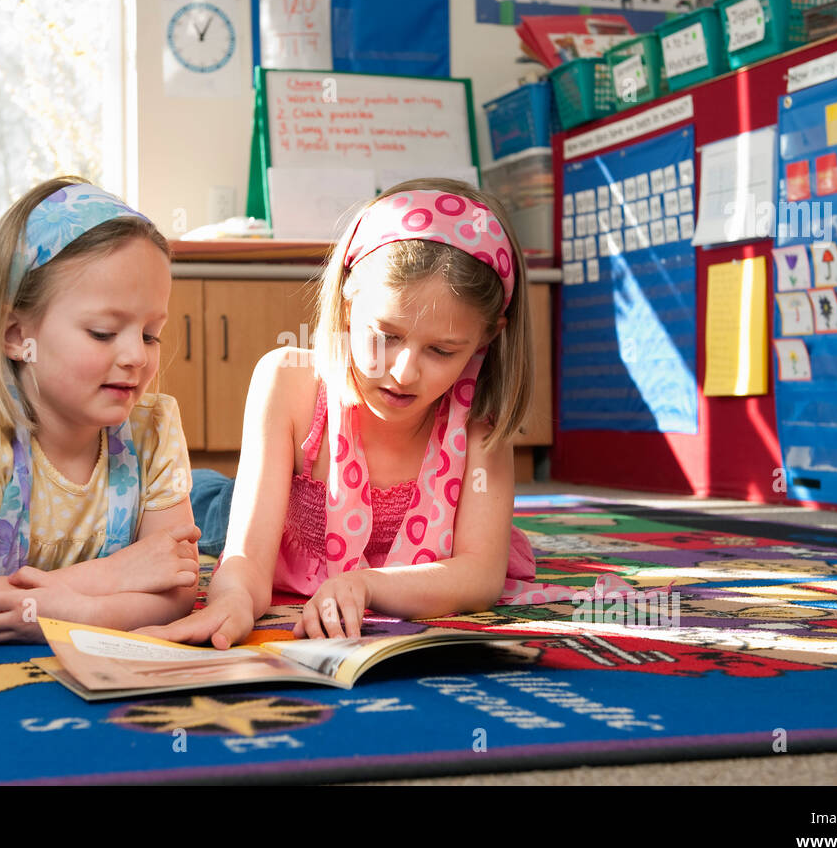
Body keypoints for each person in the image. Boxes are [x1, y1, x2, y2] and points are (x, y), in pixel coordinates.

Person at [149, 178, 628, 650]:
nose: (402, 372)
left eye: (441, 350)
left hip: (352, 551)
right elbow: (248, 558)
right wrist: (231, 599)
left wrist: (366, 584)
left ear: (486, 337)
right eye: (387, 335)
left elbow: (479, 576)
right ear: (347, 298)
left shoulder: (480, 415)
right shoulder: (288, 379)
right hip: (288, 527)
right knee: (212, 504)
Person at [0, 176, 200, 643]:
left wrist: (69, 613)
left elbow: (178, 588)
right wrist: (114, 577)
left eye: (149, 333)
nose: (137, 357)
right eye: (103, 332)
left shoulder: (155, 427)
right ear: (18, 335)